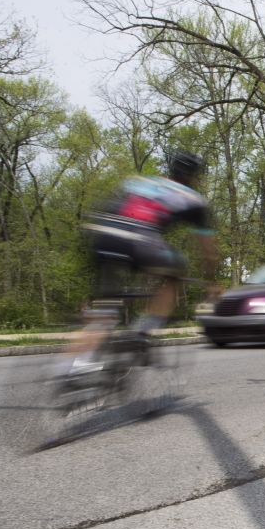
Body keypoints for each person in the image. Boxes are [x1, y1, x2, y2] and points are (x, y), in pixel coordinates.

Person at [59, 151, 219, 378]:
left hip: (102, 235)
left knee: (105, 307)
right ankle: (141, 332)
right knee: (176, 273)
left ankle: (70, 367)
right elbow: (209, 252)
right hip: (139, 239)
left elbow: (106, 206)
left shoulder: (139, 181)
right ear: (194, 177)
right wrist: (211, 282)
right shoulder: (193, 199)